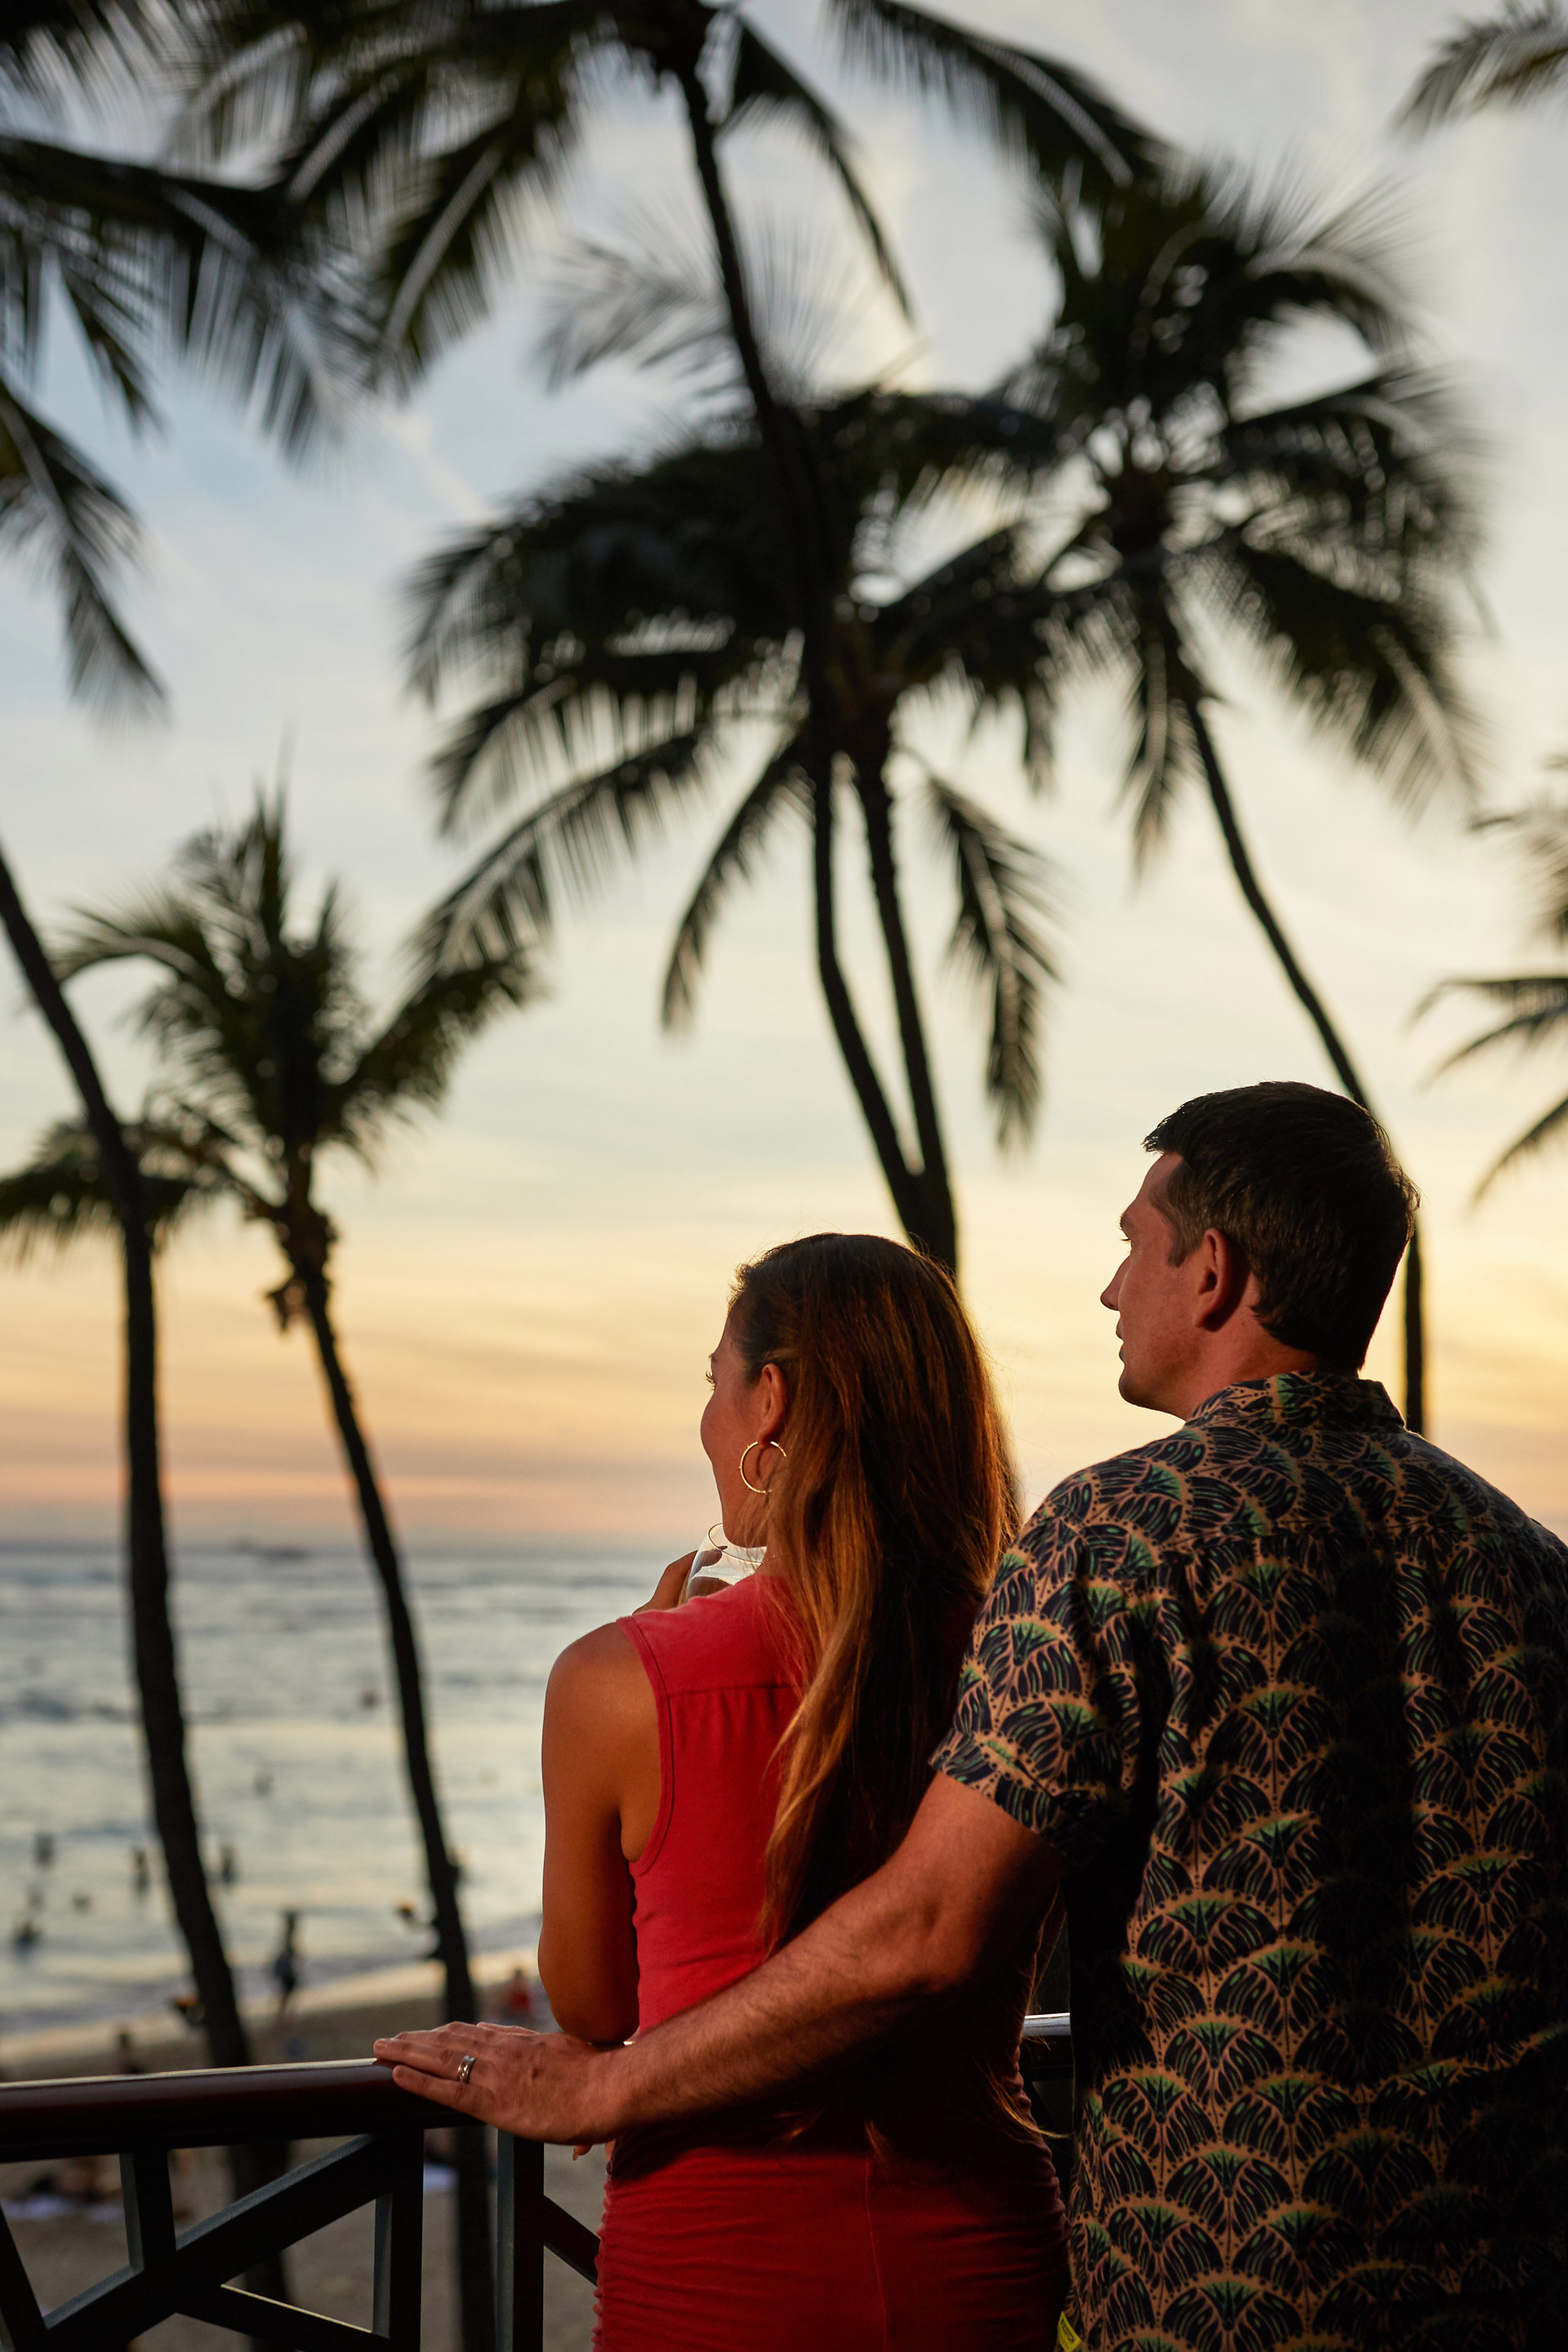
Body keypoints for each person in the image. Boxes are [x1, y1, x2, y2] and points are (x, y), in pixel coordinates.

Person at [378, 1084, 1568, 2351]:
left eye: (1132, 1244)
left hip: (1223, 2291)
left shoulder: (1124, 1534)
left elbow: (931, 1926)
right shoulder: (1527, 1562)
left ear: (1211, 1270)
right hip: (1506, 2282)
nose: (1113, 1290)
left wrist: (604, 2085)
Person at [474, 1233, 1067, 2349]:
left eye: (714, 1382)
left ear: (771, 1403)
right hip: (977, 2252)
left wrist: (656, 1643)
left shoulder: (616, 1682)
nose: (705, 1420)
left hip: (718, 2261)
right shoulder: (1026, 1656)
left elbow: (596, 2009)